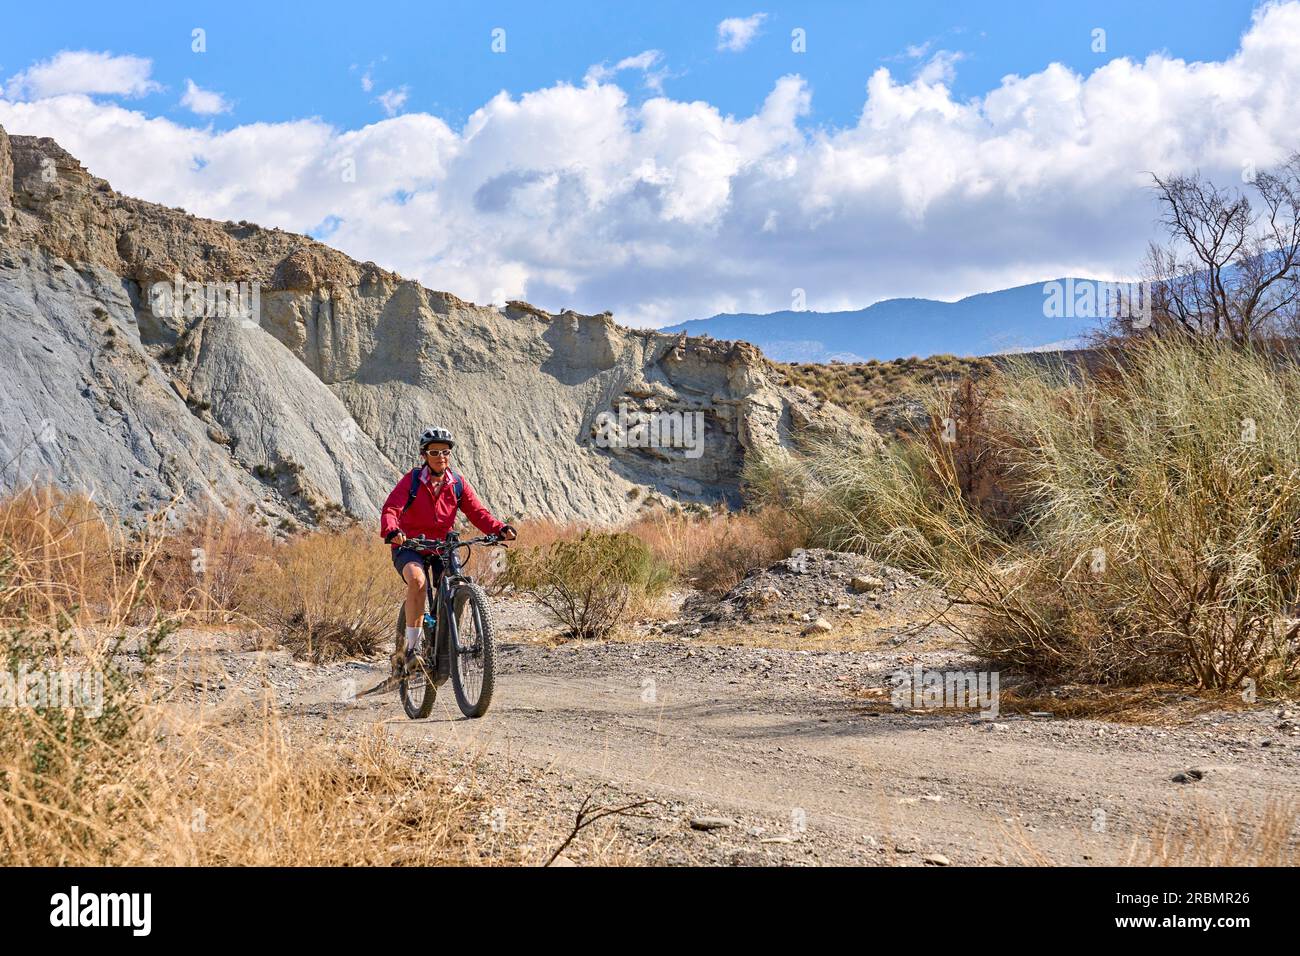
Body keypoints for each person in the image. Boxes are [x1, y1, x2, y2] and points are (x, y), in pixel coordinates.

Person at [379, 426, 516, 674]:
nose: (441, 456)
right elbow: (391, 509)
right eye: (434, 452)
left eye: (445, 451)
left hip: (444, 546)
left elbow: (477, 512)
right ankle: (410, 651)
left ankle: (445, 640)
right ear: (424, 455)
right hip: (410, 546)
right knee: (418, 581)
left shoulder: (457, 484)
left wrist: (499, 528)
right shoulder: (411, 481)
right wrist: (392, 531)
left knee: (455, 584)